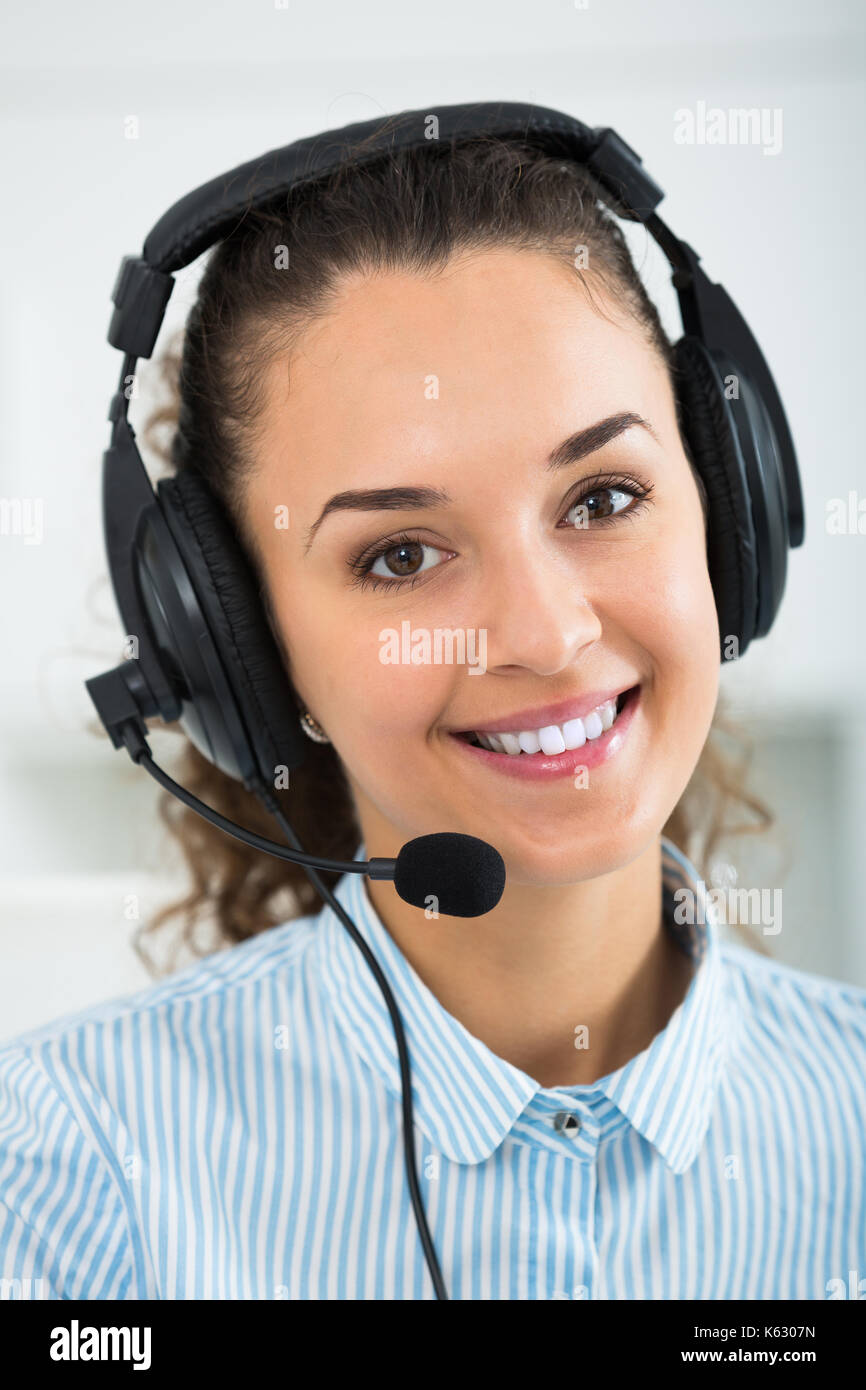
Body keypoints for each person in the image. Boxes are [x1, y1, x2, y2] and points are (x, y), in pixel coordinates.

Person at [1, 132, 864, 1301]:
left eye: (602, 496)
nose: (543, 633)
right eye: (400, 554)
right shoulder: (71, 1172)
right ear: (239, 651)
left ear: (725, 513)